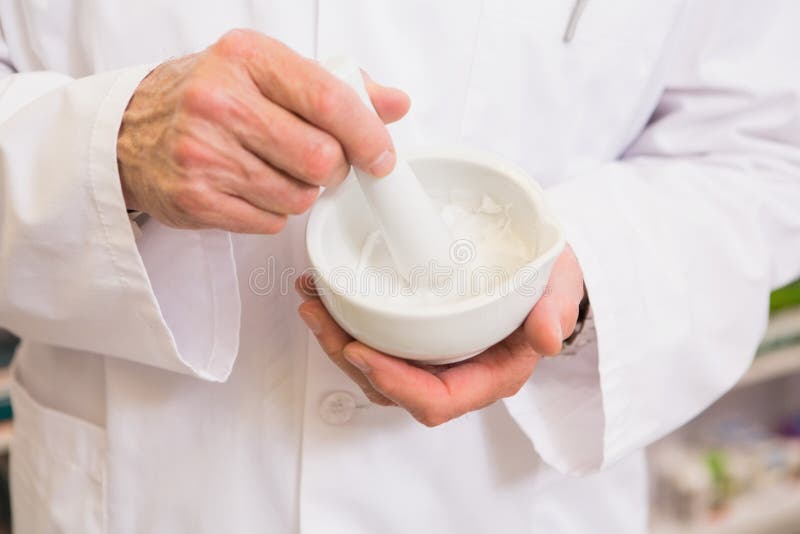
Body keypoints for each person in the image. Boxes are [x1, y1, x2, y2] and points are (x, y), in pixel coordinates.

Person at [0, 1, 798, 533]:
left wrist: (578, 275)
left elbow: (760, 150)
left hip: (508, 501)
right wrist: (109, 145)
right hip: (157, 493)